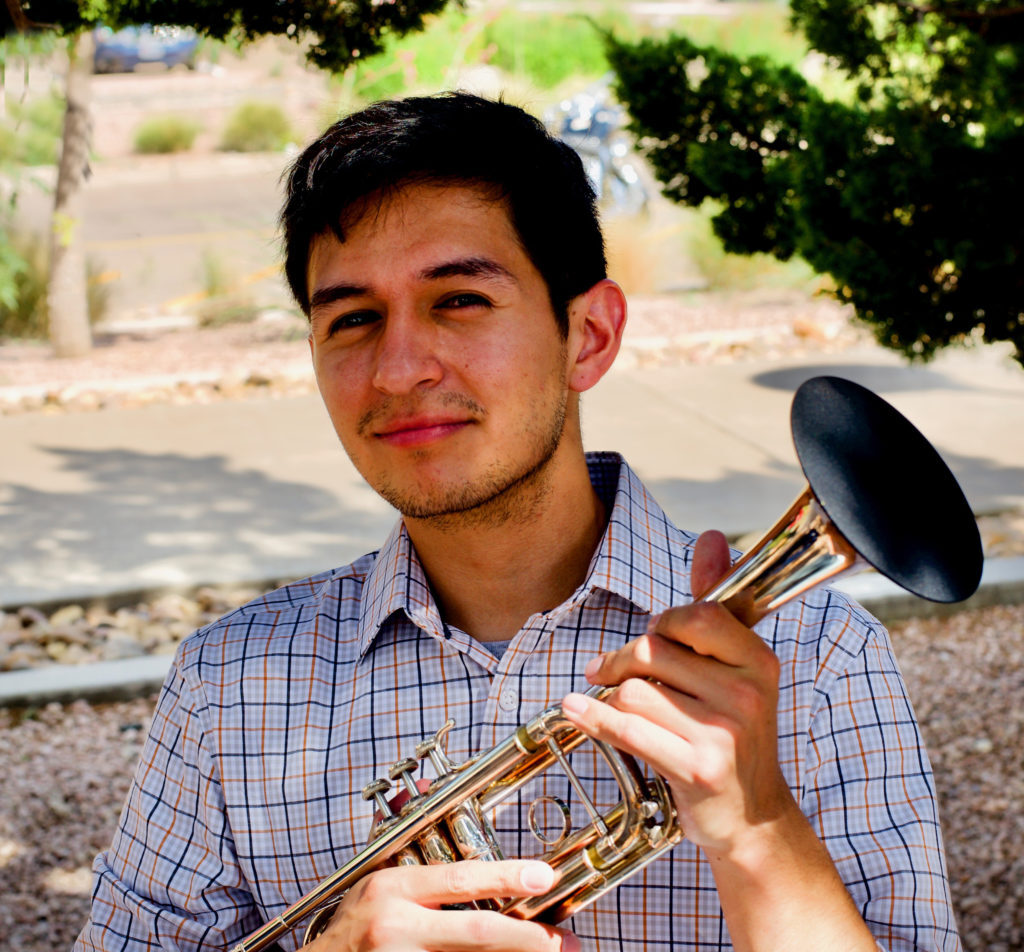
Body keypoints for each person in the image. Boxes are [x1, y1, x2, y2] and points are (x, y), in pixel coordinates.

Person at [75, 93, 960, 952]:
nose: (397, 370)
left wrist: (761, 831)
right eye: (353, 319)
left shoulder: (817, 656)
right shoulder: (229, 683)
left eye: (460, 300)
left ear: (589, 336)